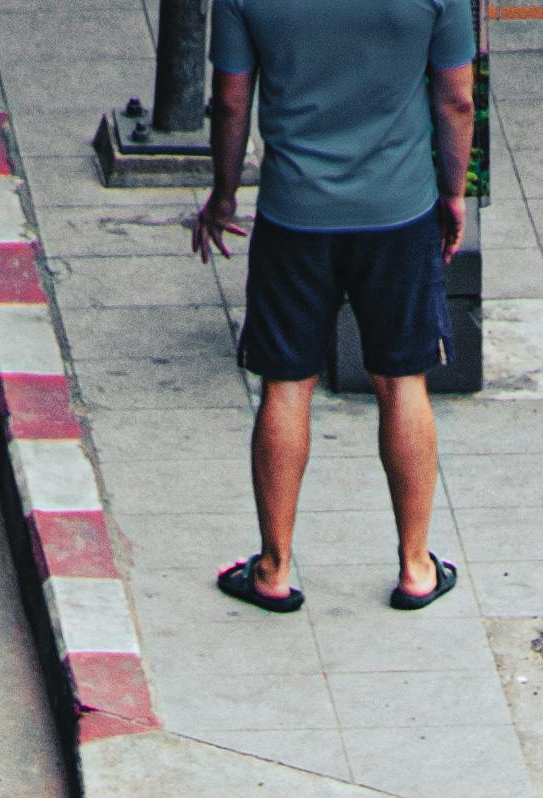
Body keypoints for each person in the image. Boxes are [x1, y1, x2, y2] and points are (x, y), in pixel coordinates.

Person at [193, 0, 477, 618]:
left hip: (295, 213)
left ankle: (273, 569)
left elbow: (233, 101)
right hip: (399, 212)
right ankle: (415, 566)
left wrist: (222, 196)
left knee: (286, 385)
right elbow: (456, 100)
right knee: (403, 380)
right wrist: (453, 195)